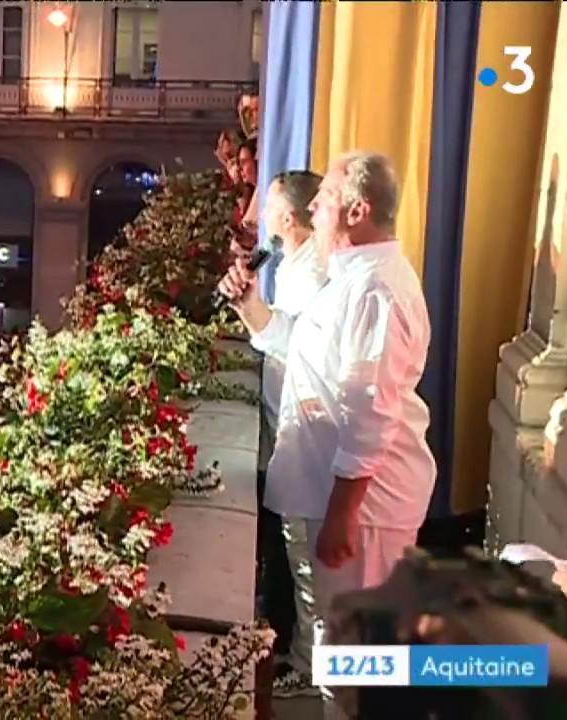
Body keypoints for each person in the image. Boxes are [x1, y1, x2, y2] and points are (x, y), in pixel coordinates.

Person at [219, 151, 435, 719]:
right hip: (332, 495)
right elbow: (307, 355)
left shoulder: (375, 291)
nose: (313, 206)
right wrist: (251, 309)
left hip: (364, 512)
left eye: (327, 197)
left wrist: (342, 514)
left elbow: (371, 414)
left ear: (359, 210)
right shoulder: (351, 276)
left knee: (357, 656)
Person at [250, 170, 329, 697]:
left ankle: (311, 668)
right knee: (293, 553)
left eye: (270, 207)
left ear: (288, 218)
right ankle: (299, 653)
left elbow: (289, 341)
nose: (262, 215)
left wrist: (248, 305)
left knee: (308, 563)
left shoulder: (316, 273)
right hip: (290, 428)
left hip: (310, 436)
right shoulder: (293, 264)